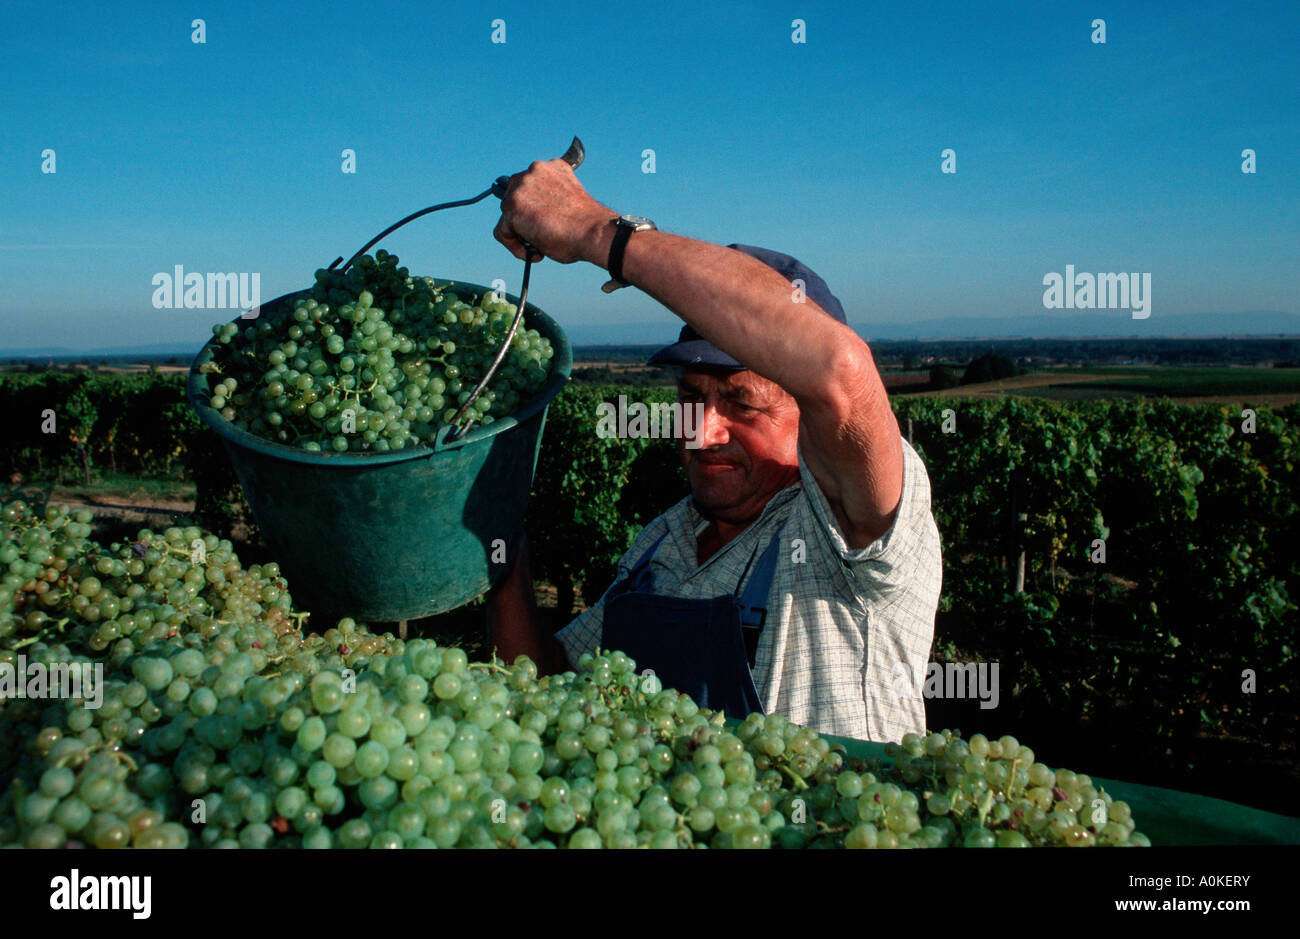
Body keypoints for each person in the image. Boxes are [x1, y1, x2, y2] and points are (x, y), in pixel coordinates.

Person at [485, 156, 942, 742]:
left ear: (814, 420)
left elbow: (839, 371)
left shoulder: (849, 533)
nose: (701, 433)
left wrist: (593, 231)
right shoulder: (662, 542)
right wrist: (503, 545)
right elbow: (548, 687)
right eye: (692, 397)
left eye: (744, 403)